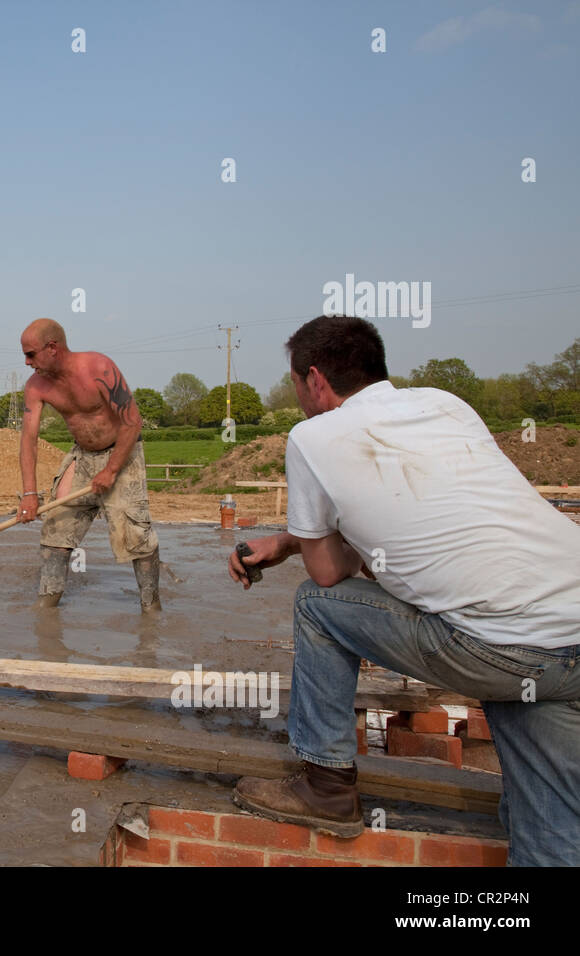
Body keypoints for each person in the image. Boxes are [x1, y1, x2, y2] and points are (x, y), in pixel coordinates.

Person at [227, 315, 580, 865]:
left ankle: (326, 783)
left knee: (317, 607)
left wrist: (297, 547)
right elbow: (419, 518)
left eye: (295, 385)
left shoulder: (313, 435)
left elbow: (329, 575)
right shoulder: (445, 404)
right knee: (551, 828)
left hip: (503, 645)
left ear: (314, 379)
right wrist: (290, 542)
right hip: (566, 633)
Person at [16, 318, 161, 611]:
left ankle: (151, 606)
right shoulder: (35, 386)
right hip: (82, 456)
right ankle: (47, 604)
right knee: (56, 526)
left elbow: (133, 423)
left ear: (52, 348)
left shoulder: (99, 368)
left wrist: (111, 470)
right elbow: (28, 440)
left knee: (134, 535)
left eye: (31, 354)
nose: (27, 362)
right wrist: (30, 494)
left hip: (122, 452)